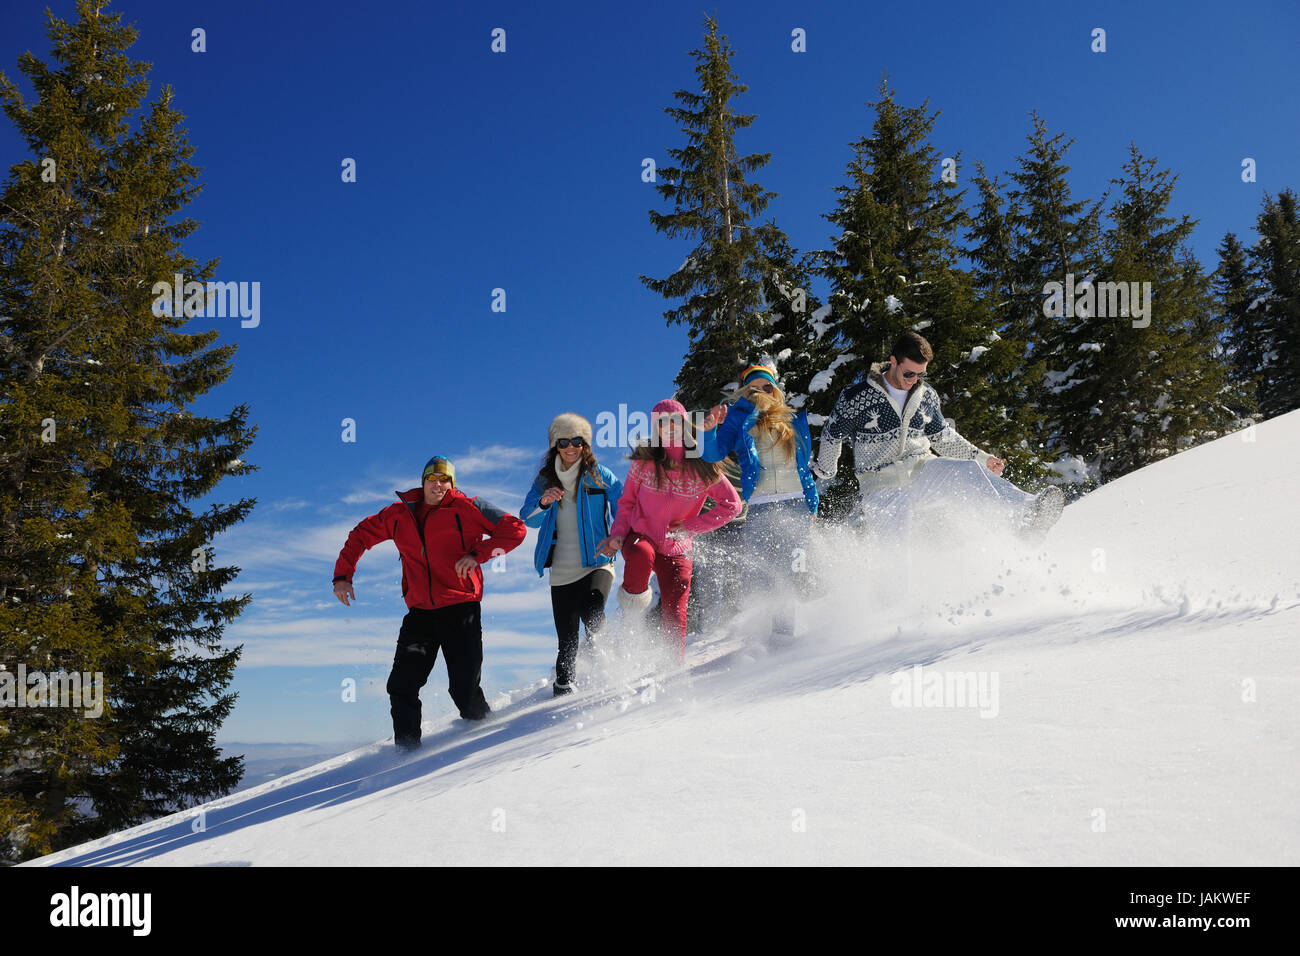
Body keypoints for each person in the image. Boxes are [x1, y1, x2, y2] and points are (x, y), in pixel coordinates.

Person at [332, 455, 526, 750]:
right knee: (401, 686)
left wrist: (478, 555)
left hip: (461, 609)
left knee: (463, 690)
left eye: (445, 480)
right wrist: (343, 576)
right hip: (420, 614)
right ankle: (406, 756)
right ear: (422, 483)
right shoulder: (399, 514)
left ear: (452, 484)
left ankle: (486, 741)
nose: (438, 484)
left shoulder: (470, 506)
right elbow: (359, 536)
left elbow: (515, 529)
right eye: (432, 479)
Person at [812, 331, 1064, 537]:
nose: (914, 380)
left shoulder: (926, 395)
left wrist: (981, 458)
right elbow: (833, 434)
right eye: (909, 373)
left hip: (923, 472)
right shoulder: (857, 397)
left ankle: (1029, 513)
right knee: (897, 566)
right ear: (893, 361)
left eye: (921, 374)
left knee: (967, 472)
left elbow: (942, 436)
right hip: (882, 488)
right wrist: (826, 470)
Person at [596, 400, 742, 662]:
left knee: (676, 610)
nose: (669, 427)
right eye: (662, 423)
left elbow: (732, 505)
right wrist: (618, 533)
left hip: (678, 545)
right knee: (640, 554)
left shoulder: (702, 464)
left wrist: (690, 527)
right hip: (641, 535)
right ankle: (632, 614)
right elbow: (627, 502)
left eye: (675, 421)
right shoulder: (645, 461)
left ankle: (672, 671)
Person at [699, 362, 819, 646]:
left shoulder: (791, 419)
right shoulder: (739, 420)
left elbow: (803, 468)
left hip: (795, 503)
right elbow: (713, 453)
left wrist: (812, 503)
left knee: (791, 572)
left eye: (767, 387)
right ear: (746, 393)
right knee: (762, 573)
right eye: (754, 389)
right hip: (763, 505)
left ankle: (784, 636)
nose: (761, 392)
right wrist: (708, 430)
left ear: (775, 389)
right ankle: (760, 634)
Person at [519, 413, 624, 696]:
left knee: (593, 613)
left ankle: (611, 672)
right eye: (564, 441)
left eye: (577, 441)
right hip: (562, 570)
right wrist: (544, 502)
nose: (570, 446)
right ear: (555, 445)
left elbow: (624, 507)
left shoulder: (600, 476)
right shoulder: (545, 481)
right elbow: (527, 517)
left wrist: (617, 537)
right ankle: (562, 690)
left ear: (585, 444)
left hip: (597, 561)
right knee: (566, 643)